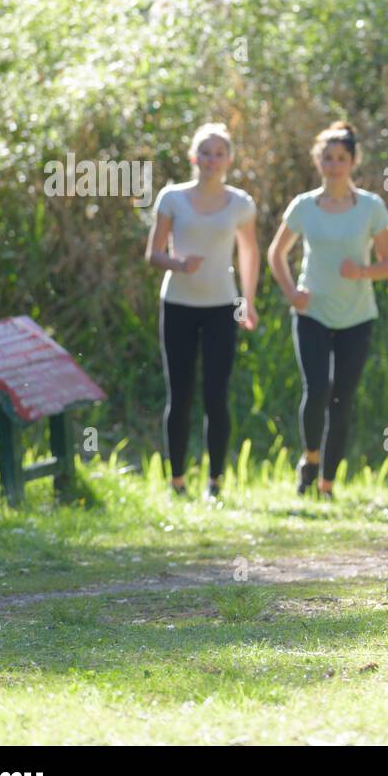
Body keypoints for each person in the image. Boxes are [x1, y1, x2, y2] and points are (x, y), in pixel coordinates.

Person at [269, 121, 388, 499]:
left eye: (341, 158)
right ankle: (309, 460)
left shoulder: (371, 207)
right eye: (327, 158)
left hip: (357, 316)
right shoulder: (304, 206)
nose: (334, 165)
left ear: (353, 162)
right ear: (317, 161)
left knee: (342, 399)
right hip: (312, 312)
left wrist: (362, 271)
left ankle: (327, 485)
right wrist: (292, 292)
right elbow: (276, 253)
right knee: (316, 388)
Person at [146, 122, 260, 501]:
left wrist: (247, 300)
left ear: (229, 159)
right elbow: (153, 254)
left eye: (219, 154)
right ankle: (177, 481)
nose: (212, 160)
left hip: (222, 307)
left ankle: (215, 483)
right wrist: (178, 264)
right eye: (205, 153)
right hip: (178, 305)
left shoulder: (241, 203)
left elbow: (248, 253)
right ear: (193, 157)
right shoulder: (172, 198)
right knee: (179, 396)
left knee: (216, 395)